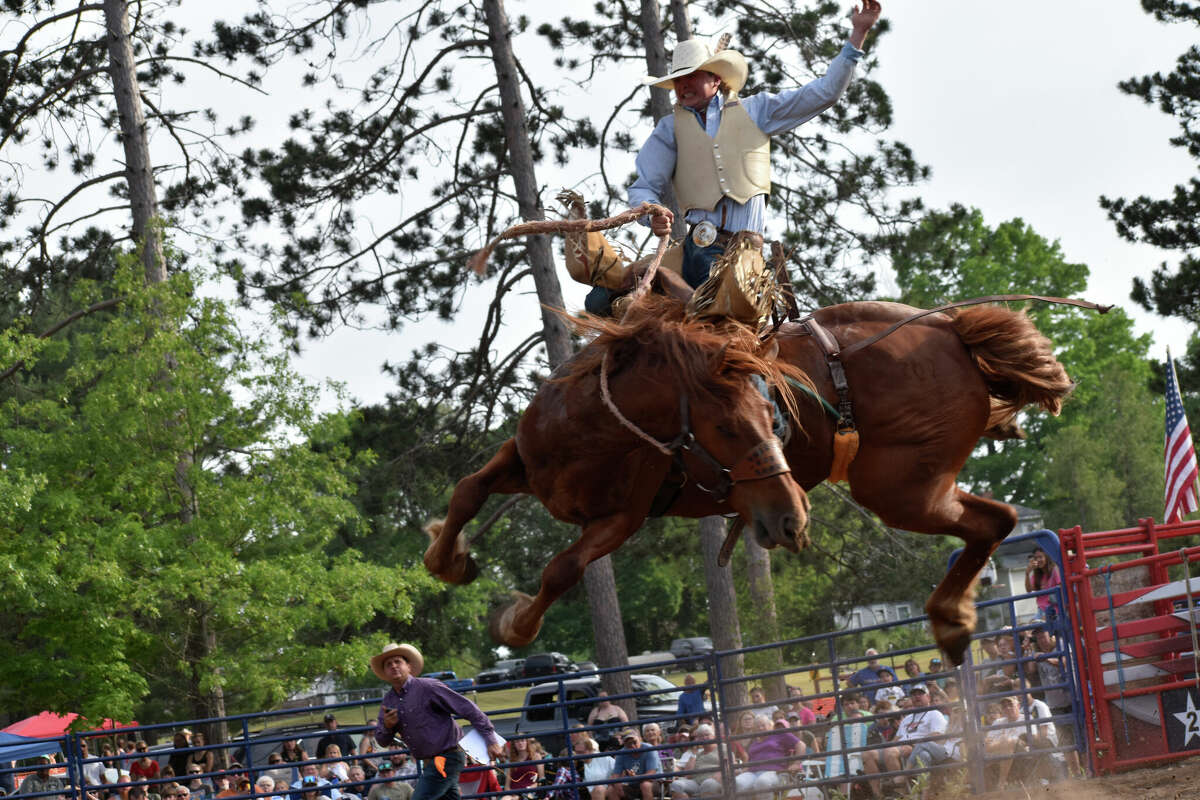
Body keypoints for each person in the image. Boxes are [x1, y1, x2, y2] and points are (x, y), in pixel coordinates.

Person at [582, 1, 883, 319]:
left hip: (741, 256)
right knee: (601, 301)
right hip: (693, 249)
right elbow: (644, 187)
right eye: (679, 81)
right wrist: (650, 213)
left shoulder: (758, 110)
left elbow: (825, 93)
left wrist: (857, 34)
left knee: (717, 322)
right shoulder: (669, 129)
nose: (683, 86)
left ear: (716, 79)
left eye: (692, 77)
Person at [371, 642, 503, 800]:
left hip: (447, 757)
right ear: (385, 672)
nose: (393, 666)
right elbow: (382, 740)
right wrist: (387, 726)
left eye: (398, 661)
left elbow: (467, 708)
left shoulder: (428, 687)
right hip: (432, 762)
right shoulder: (389, 701)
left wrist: (490, 739)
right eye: (388, 664)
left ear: (409, 666)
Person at [861, 684, 946, 797]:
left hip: (917, 747)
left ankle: (901, 793)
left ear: (928, 697)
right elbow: (897, 738)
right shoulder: (908, 718)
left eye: (920, 694)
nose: (917, 697)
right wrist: (888, 746)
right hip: (900, 746)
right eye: (914, 695)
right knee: (867, 754)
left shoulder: (934, 714)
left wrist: (913, 744)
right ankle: (878, 795)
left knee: (890, 752)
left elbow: (938, 734)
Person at [733, 716, 804, 797]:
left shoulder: (779, 734)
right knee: (737, 783)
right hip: (753, 772)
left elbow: (801, 745)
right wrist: (741, 771)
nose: (760, 728)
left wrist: (796, 763)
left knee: (762, 782)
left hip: (775, 772)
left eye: (763, 725)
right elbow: (750, 762)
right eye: (757, 726)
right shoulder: (753, 743)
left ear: (770, 726)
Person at [667, 724, 721, 799]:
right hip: (696, 781)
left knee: (708, 784)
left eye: (706, 735)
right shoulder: (692, 753)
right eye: (693, 738)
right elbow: (688, 774)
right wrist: (694, 752)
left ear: (713, 736)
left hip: (713, 780)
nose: (696, 739)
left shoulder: (720, 747)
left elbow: (729, 764)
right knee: (676, 785)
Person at [605, 728, 659, 800]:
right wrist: (616, 783)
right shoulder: (621, 754)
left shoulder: (649, 749)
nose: (632, 746)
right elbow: (616, 775)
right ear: (624, 744)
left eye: (634, 742)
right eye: (628, 744)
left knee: (645, 785)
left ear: (640, 739)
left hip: (654, 782)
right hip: (632, 785)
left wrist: (636, 777)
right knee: (611, 790)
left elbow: (651, 774)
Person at [1025, 548, 1063, 622]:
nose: (1038, 560)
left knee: (1040, 625)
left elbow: (1061, 588)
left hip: (1054, 610)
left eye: (1040, 557)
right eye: (1036, 558)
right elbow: (1028, 590)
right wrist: (1027, 574)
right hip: (1041, 610)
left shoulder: (1054, 570)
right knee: (1029, 626)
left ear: (1046, 557)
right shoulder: (1037, 575)